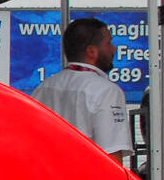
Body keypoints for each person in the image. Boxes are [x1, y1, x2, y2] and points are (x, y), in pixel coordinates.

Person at [31, 18, 130, 164]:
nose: (113, 48)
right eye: (108, 43)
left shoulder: (43, 89)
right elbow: (112, 157)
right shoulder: (107, 91)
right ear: (91, 51)